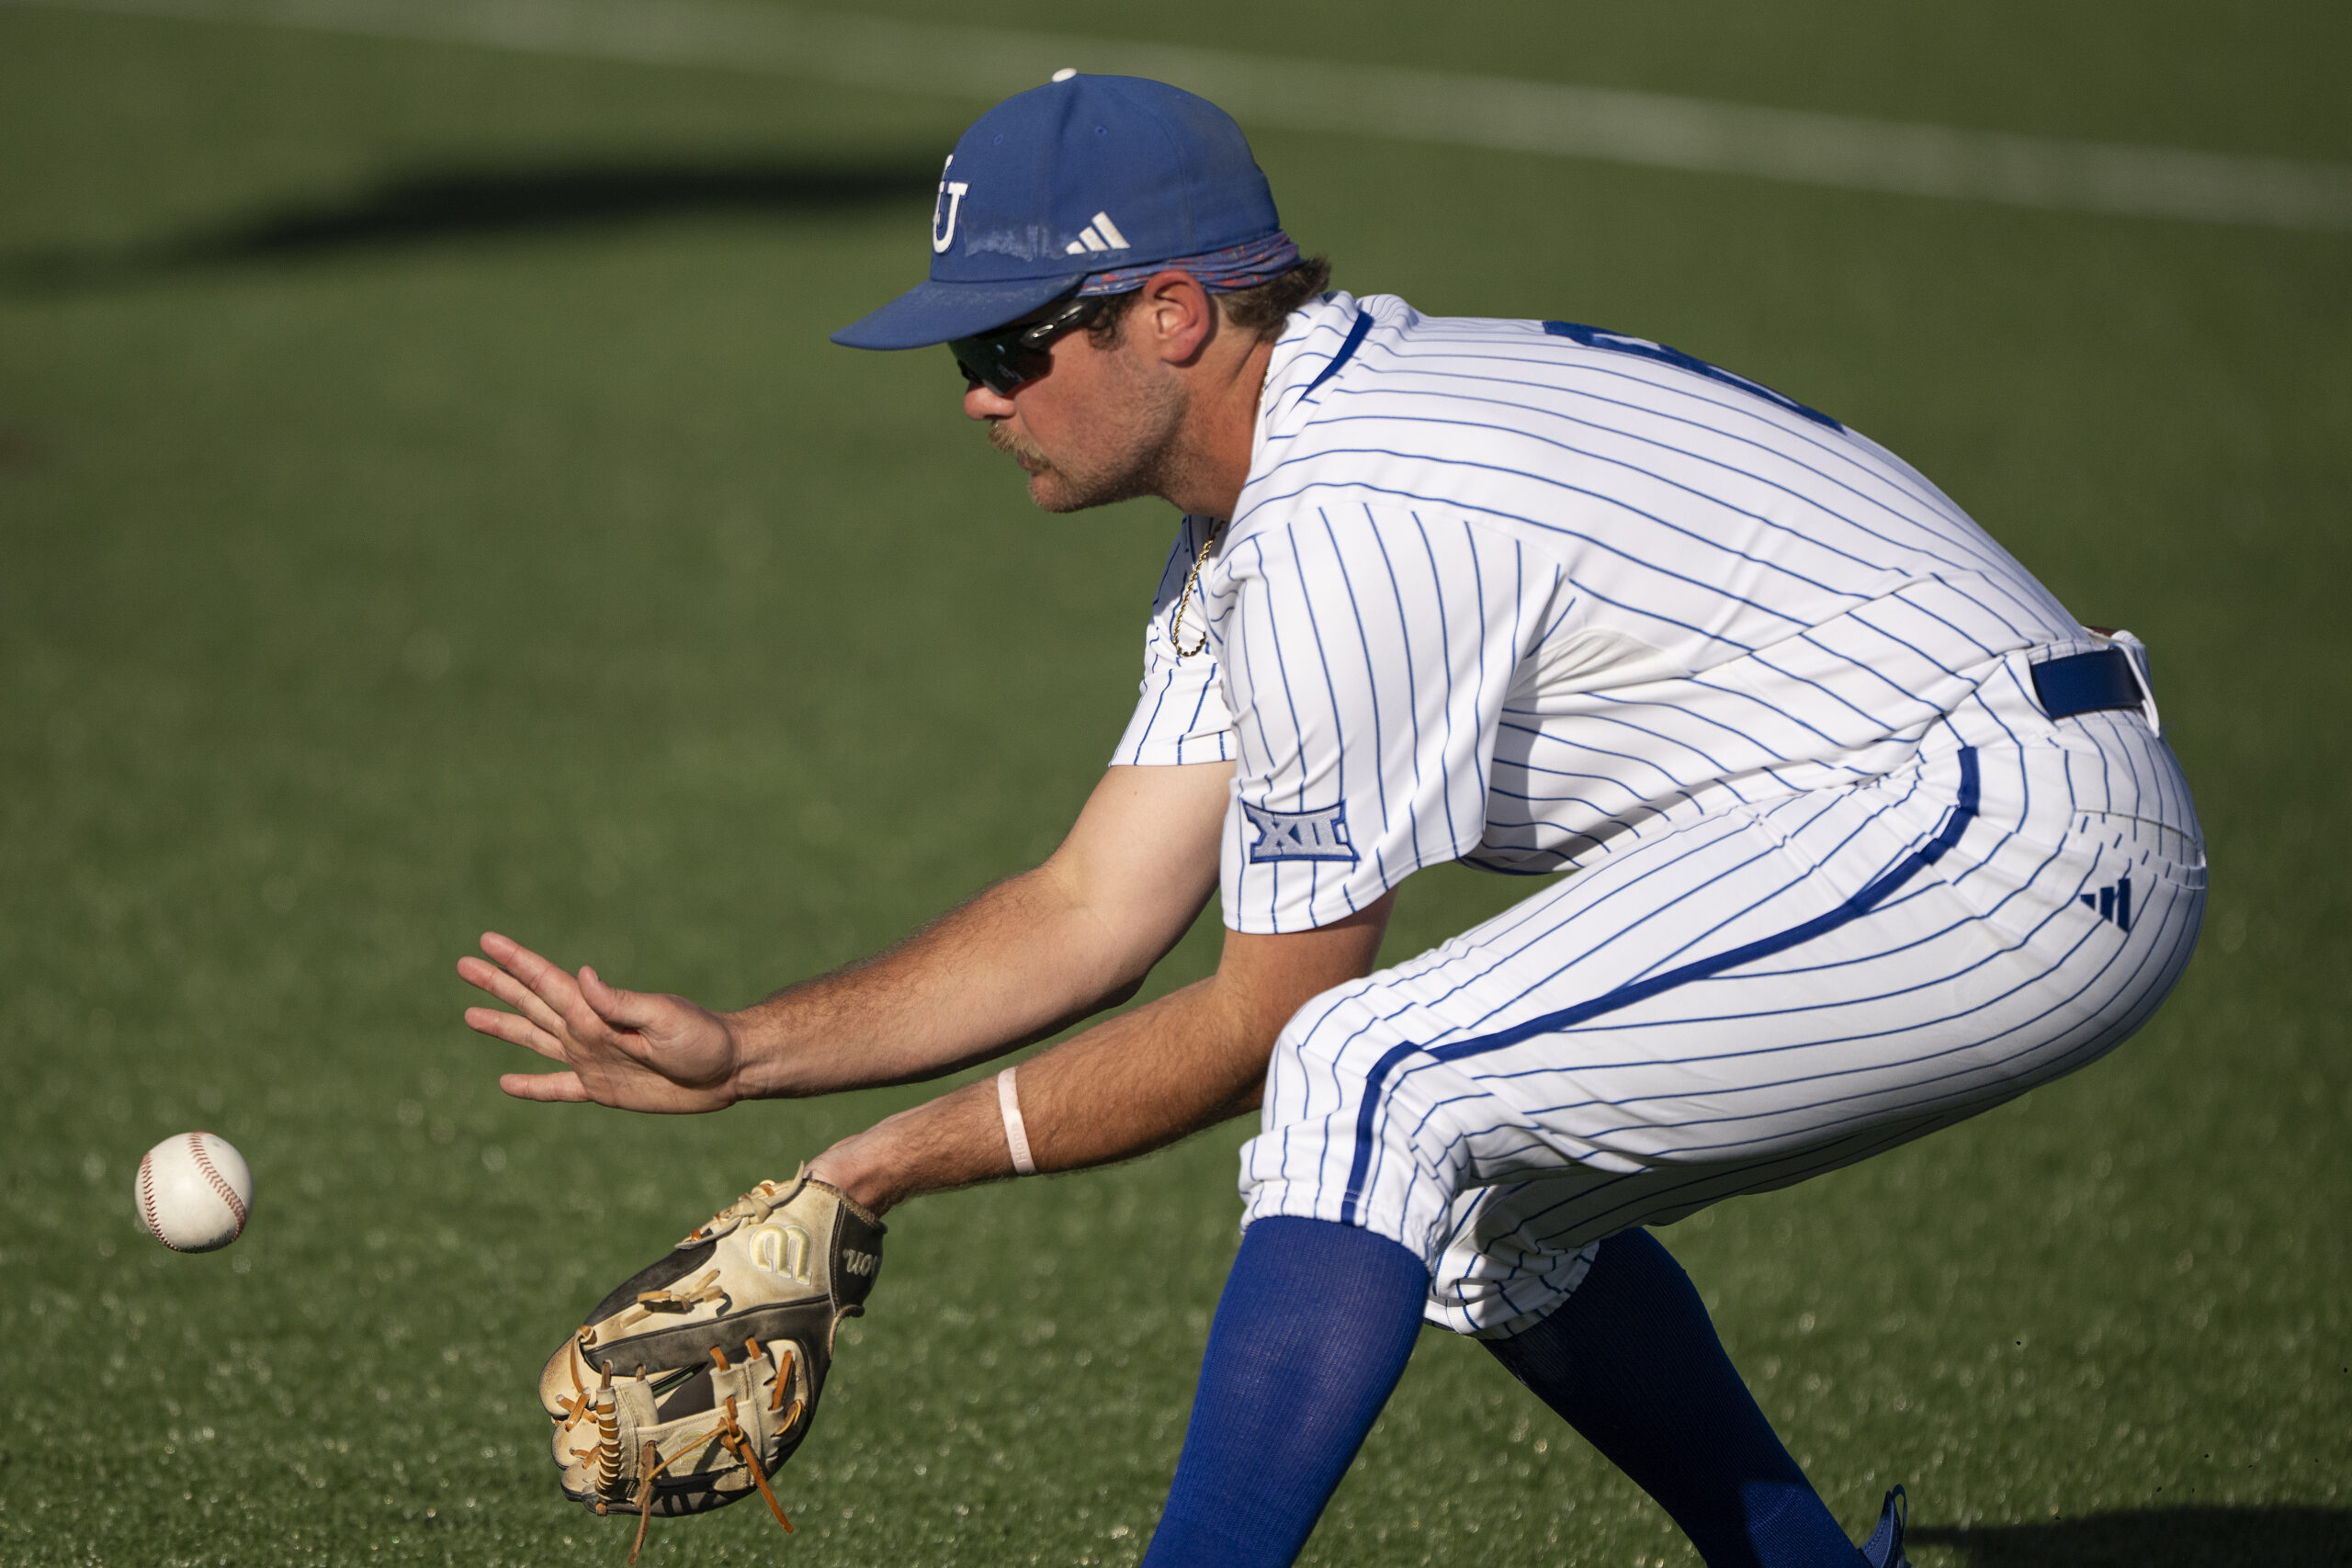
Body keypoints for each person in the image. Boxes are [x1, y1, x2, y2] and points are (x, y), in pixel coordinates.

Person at [459, 74, 2204, 1568]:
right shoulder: (1275, 496)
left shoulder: (1357, 508)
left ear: (1170, 313)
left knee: (1372, 1074)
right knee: (1482, 1212)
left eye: (1009, 341)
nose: (979, 394)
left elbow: (1273, 1016)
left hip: (2001, 830)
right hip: (1895, 806)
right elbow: (1092, 905)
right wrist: (747, 1058)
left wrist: (875, 1171)